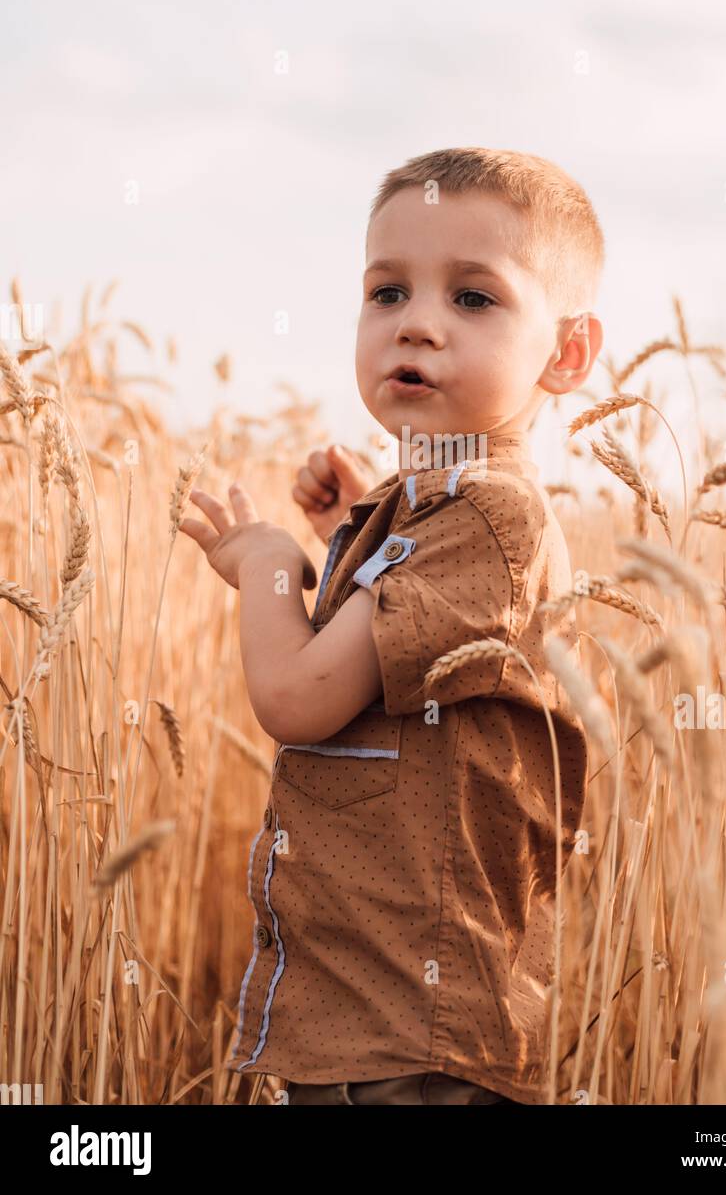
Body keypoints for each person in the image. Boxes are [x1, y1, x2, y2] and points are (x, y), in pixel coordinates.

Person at [180, 146, 605, 1105]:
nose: (417, 322)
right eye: (386, 292)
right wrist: (338, 540)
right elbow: (403, 651)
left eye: (474, 299)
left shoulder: (494, 513)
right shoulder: (428, 511)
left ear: (568, 353)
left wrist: (266, 567)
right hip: (364, 1002)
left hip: (418, 1024)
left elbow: (297, 696)